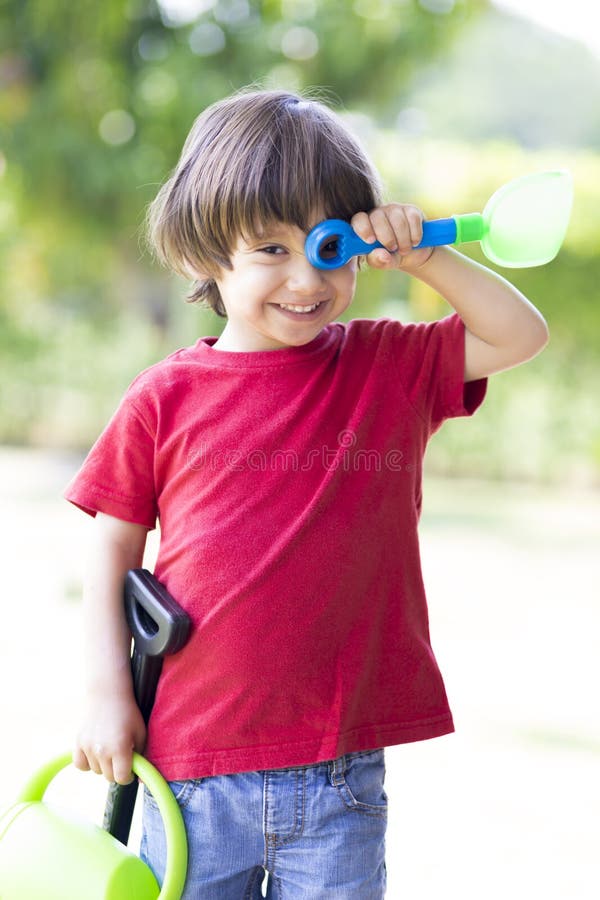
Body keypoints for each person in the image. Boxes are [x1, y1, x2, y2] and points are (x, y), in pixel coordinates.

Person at [65, 88, 548, 899]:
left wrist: (424, 255)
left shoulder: (386, 367)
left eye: (328, 247)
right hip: (189, 771)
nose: (305, 277)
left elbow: (519, 335)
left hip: (339, 777)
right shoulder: (163, 398)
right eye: (270, 248)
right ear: (203, 253)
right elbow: (110, 550)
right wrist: (106, 692)